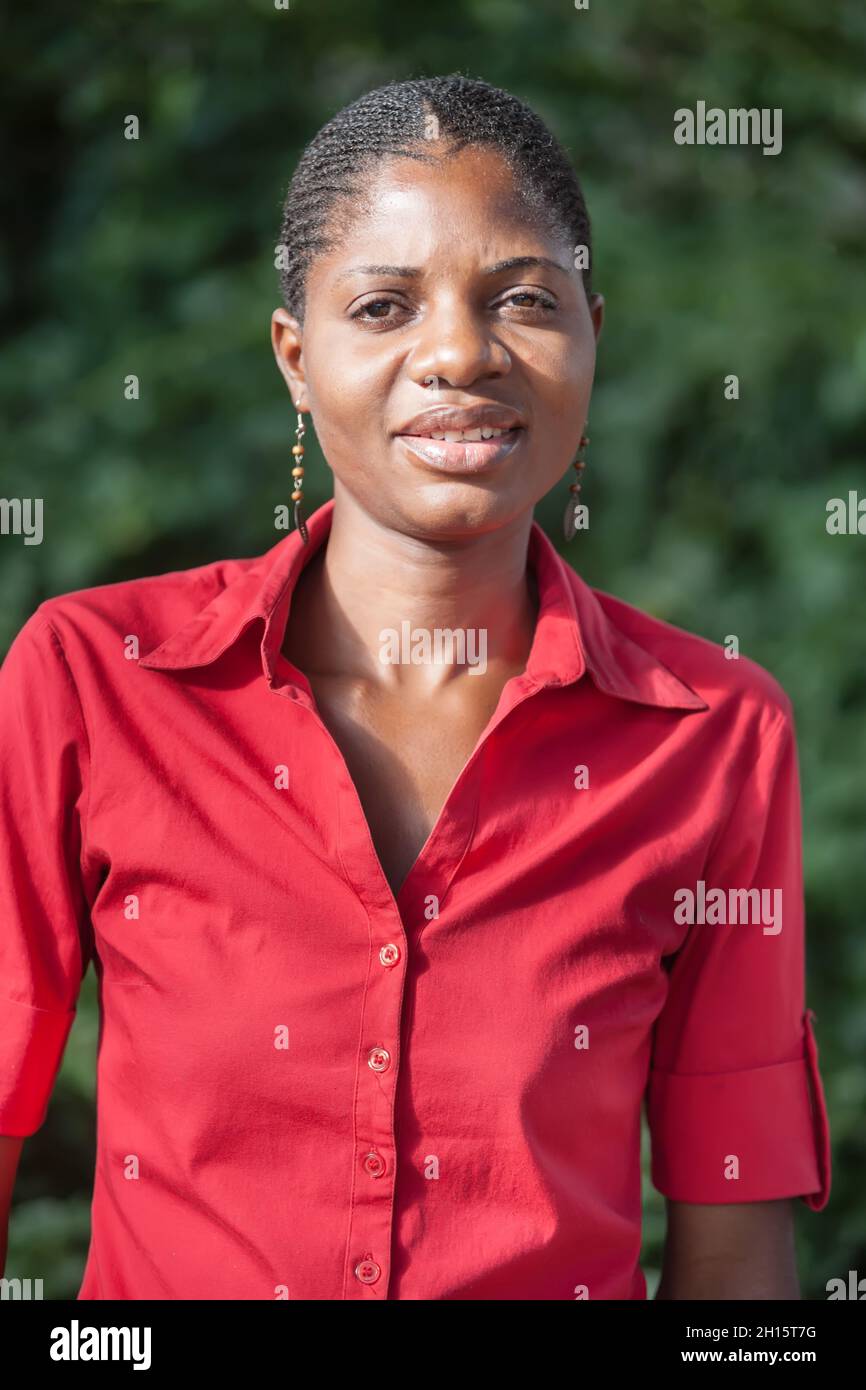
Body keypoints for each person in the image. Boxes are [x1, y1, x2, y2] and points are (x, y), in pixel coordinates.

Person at [0, 75, 830, 1300]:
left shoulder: (714, 733)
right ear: (295, 358)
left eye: (525, 303)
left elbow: (733, 1250)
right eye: (383, 306)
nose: (457, 353)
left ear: (591, 337)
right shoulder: (92, 680)